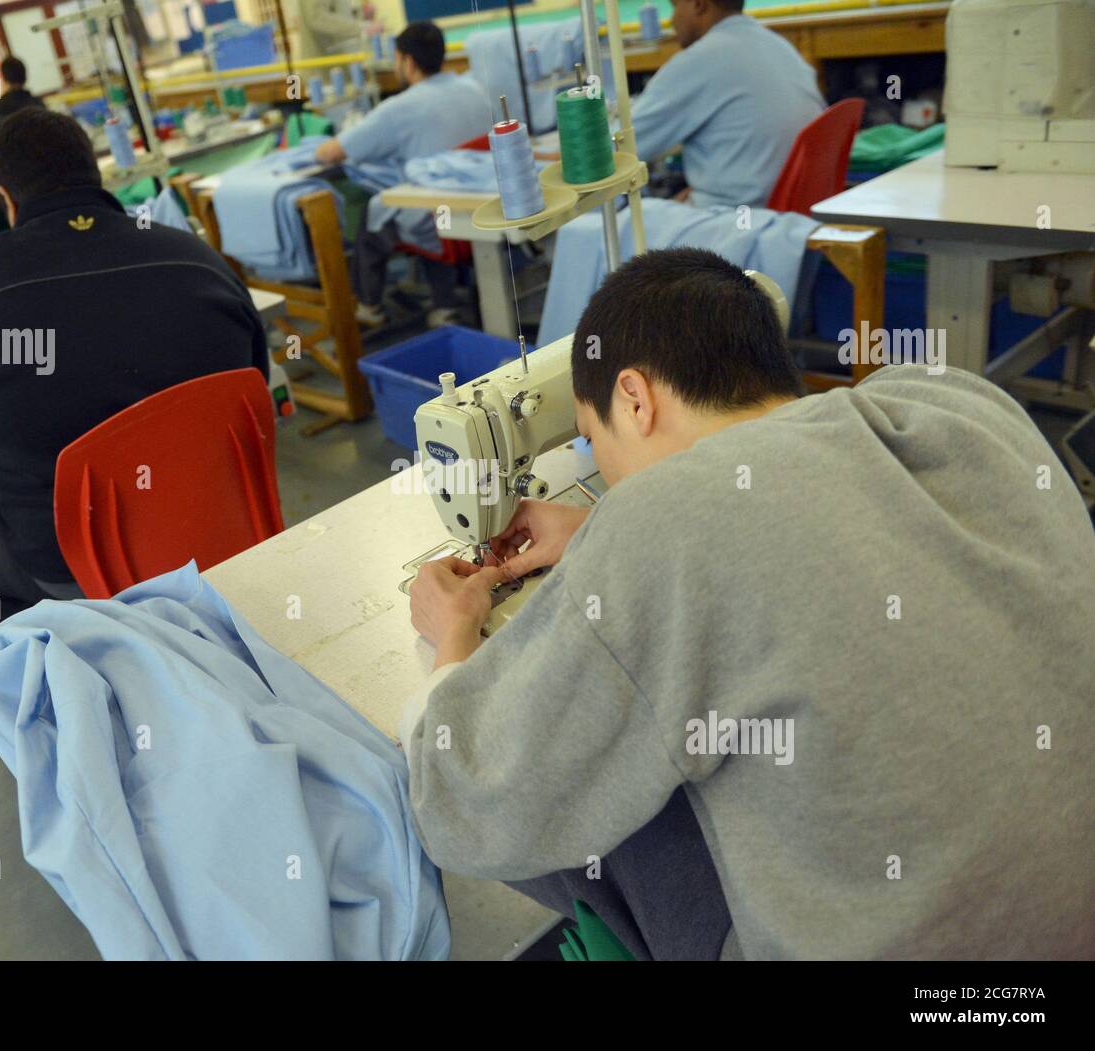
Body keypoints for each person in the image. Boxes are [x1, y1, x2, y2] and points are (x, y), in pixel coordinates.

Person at [400, 247, 1095, 960]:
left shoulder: (661, 525)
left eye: (590, 435)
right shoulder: (961, 404)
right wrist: (594, 535)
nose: (598, 464)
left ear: (635, 398)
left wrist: (453, 640)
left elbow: (466, 809)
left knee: (586, 787)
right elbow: (831, 531)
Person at [0, 108, 268, 637]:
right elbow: (254, 387)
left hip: (75, 570)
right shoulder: (195, 258)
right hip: (228, 536)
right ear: (98, 174)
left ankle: (61, 684)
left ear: (5, 199)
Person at [314, 21, 491, 328]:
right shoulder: (474, 87)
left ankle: (369, 306)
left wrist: (316, 147)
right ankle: (444, 301)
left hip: (443, 218)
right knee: (410, 204)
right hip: (481, 205)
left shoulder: (399, 108)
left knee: (375, 215)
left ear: (407, 61)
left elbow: (333, 153)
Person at [631, 0, 825, 207]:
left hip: (740, 219)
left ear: (698, 5)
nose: (672, 21)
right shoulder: (780, 47)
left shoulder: (699, 60)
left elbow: (618, 148)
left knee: (611, 227)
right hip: (785, 211)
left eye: (675, 7)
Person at [295, 0, 375, 58]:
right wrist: (363, 27)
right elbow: (317, 17)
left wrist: (361, 13)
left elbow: (339, 13)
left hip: (344, 61)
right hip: (323, 68)